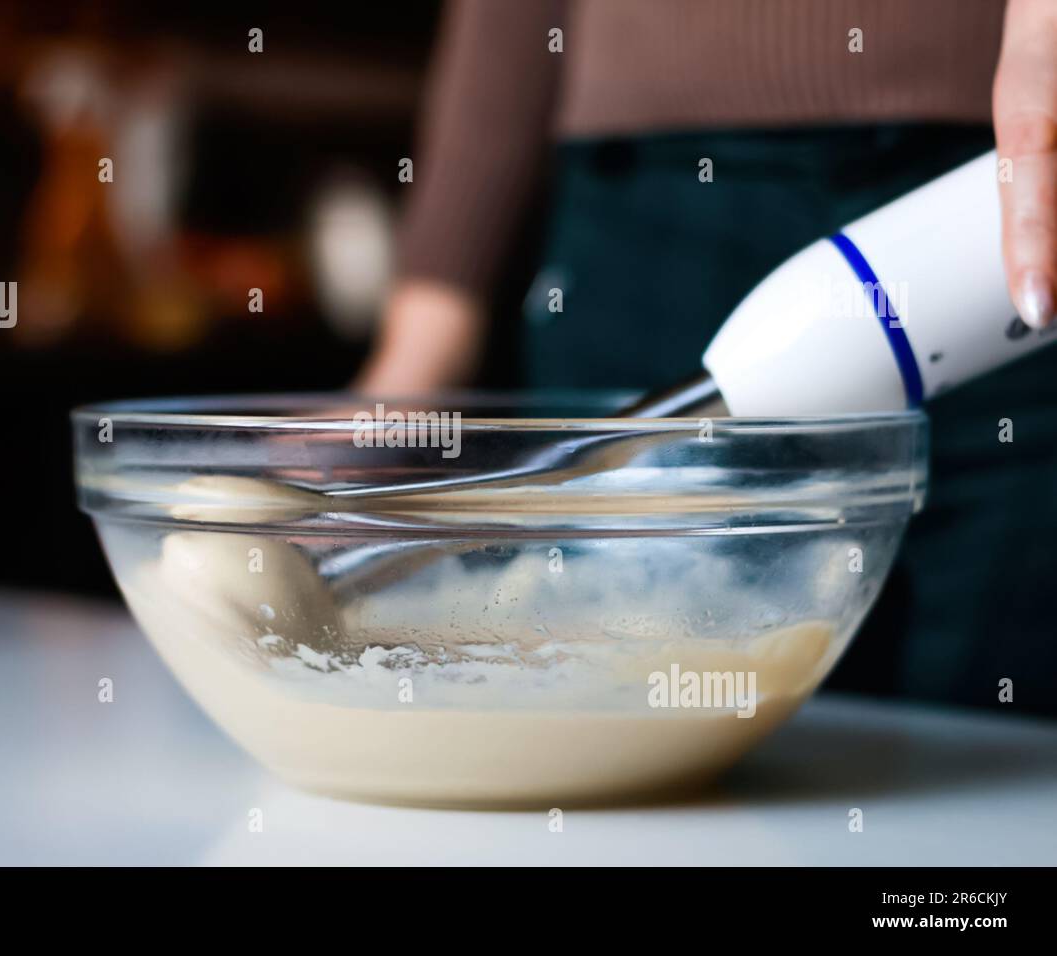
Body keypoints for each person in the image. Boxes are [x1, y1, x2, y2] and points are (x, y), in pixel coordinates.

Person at [357, 0, 1057, 716]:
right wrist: (418, 354)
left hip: (1012, 187)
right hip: (650, 210)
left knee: (991, 767)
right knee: (616, 748)